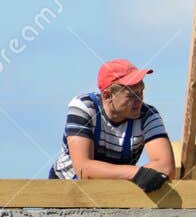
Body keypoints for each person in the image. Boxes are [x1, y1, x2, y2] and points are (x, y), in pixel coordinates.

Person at [48, 59, 175, 191]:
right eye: (131, 96)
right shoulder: (84, 107)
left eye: (141, 92)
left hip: (113, 190)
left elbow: (166, 167)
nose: (139, 100)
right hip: (65, 189)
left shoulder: (148, 115)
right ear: (108, 96)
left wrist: (133, 174)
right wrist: (137, 173)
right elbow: (83, 170)